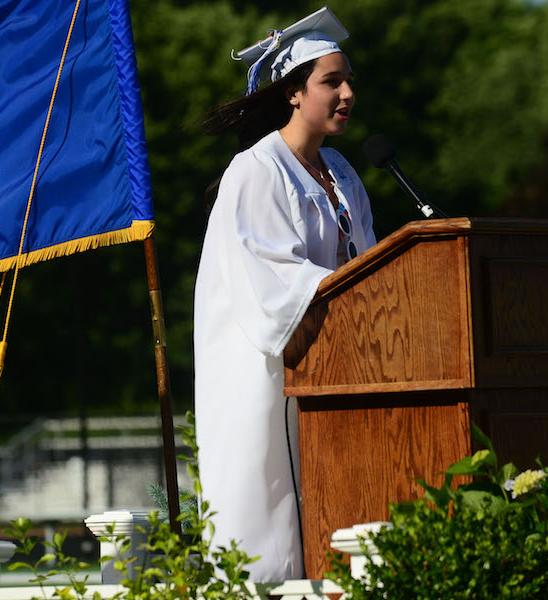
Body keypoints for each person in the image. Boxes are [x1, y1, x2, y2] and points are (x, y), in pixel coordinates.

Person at [193, 7, 378, 581]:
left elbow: (369, 263)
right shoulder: (256, 170)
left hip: (332, 356)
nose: (347, 94)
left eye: (348, 81)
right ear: (294, 93)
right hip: (266, 360)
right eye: (331, 82)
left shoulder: (342, 172)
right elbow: (274, 276)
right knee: (262, 490)